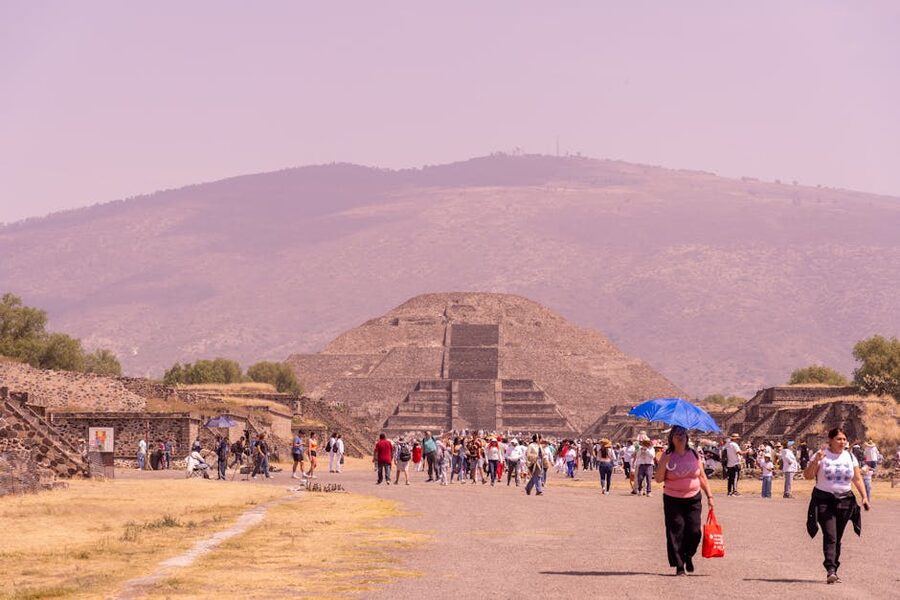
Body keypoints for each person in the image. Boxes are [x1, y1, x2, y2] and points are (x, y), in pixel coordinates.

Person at [804, 427, 871, 584]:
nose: (842, 442)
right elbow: (808, 476)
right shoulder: (821, 455)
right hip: (824, 500)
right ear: (830, 440)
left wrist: (865, 497)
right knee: (830, 535)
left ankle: (834, 567)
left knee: (837, 537)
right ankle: (830, 570)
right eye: (838, 439)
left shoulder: (849, 456)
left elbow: (857, 478)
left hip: (845, 501)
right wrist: (816, 461)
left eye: (844, 439)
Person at [655, 426, 715, 576]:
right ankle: (679, 564)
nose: (680, 436)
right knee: (676, 531)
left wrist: (710, 496)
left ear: (687, 437)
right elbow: (658, 479)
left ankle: (688, 555)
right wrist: (664, 461)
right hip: (672, 498)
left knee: (695, 531)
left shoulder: (694, 454)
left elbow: (702, 477)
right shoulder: (667, 455)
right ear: (671, 438)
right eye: (676, 434)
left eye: (683, 434)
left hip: (693, 497)